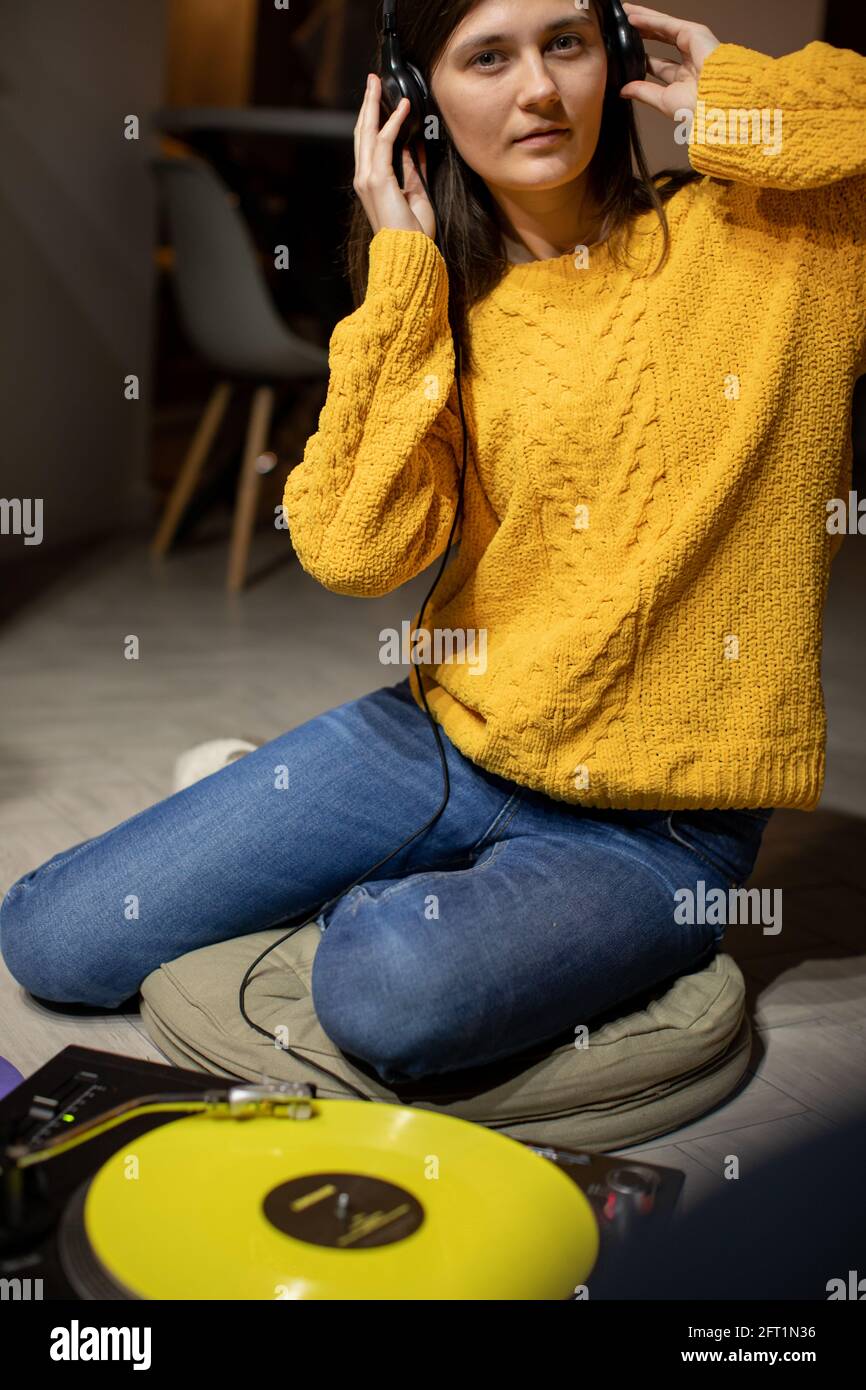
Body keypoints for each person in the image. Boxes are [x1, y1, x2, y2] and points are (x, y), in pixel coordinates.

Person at [1, 2, 863, 1089]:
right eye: (487, 56)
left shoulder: (780, 238)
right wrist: (403, 279)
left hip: (656, 829)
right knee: (54, 937)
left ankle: (410, 889)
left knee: (387, 985)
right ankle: (374, 845)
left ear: (618, 54)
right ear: (419, 97)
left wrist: (750, 97)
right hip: (438, 740)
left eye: (565, 42)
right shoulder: (447, 302)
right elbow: (352, 551)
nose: (537, 90)